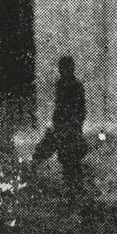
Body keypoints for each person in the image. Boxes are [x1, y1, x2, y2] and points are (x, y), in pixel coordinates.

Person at [32, 56, 88, 197]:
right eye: (62, 68)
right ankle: (72, 191)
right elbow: (60, 108)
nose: (63, 71)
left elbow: (79, 111)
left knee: (70, 161)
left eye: (65, 68)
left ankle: (74, 191)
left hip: (69, 128)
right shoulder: (62, 84)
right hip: (62, 127)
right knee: (64, 159)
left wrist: (71, 126)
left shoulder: (75, 86)